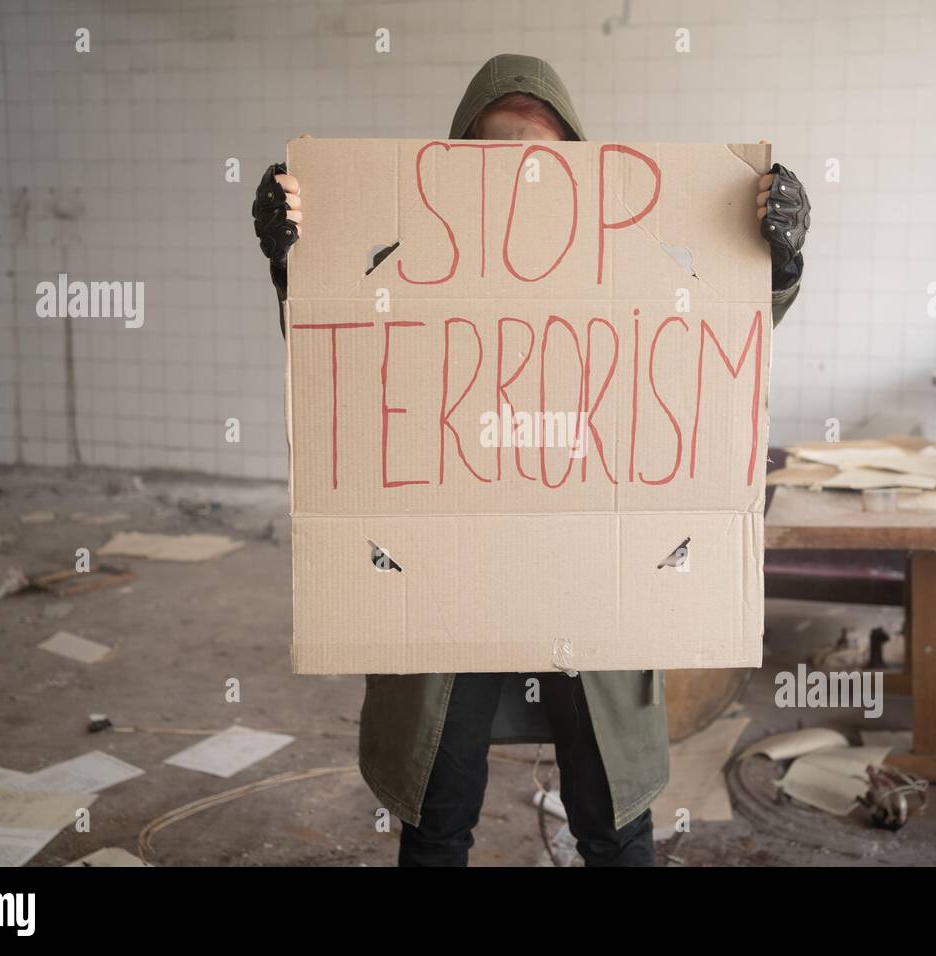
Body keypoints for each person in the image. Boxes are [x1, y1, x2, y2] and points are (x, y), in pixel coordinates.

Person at [252, 54, 811, 867]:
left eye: (539, 155)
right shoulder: (409, 261)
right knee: (436, 817)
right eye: (494, 153)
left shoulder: (627, 260)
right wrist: (293, 258)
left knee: (613, 817)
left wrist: (777, 261)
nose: (517, 176)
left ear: (575, 161)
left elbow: (718, 336)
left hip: (595, 571)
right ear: (456, 162)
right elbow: (338, 351)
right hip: (446, 574)